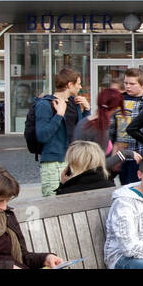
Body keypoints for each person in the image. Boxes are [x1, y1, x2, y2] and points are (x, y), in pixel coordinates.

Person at [32, 68, 91, 196]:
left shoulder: (74, 103)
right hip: (53, 163)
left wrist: (86, 110)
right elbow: (42, 136)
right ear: (69, 85)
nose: (80, 87)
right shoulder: (45, 105)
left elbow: (83, 132)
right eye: (78, 83)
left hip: (74, 161)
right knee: (53, 203)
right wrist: (59, 115)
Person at [74, 87, 139, 178]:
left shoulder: (85, 122)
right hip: (93, 181)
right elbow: (98, 165)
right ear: (115, 108)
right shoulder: (98, 129)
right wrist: (125, 154)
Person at [116, 68, 143, 185]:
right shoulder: (119, 100)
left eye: (132, 84)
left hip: (141, 154)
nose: (128, 86)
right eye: (126, 83)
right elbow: (113, 127)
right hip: (121, 155)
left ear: (142, 85)